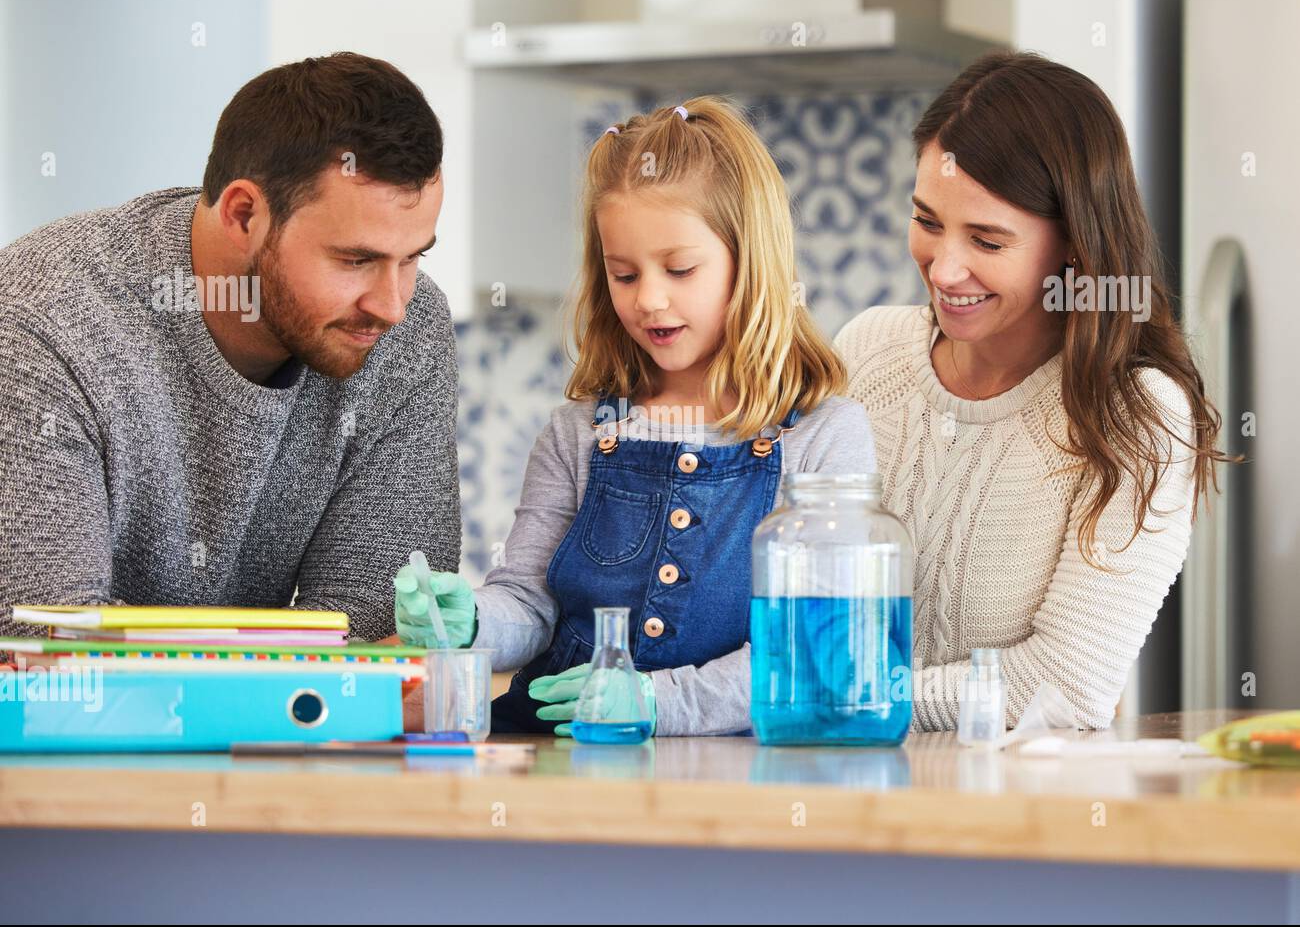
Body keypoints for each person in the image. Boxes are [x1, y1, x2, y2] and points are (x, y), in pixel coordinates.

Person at [395, 97, 874, 736]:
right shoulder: (577, 433)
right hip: (554, 753)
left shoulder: (824, 438)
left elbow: (813, 656)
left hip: (729, 774)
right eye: (624, 275)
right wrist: (472, 621)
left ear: (750, 262)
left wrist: (657, 703)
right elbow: (529, 604)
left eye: (680, 269)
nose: (649, 299)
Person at [0, 52, 460, 641]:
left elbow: (374, 634)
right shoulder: (43, 322)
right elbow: (50, 646)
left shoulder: (409, 327)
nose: (391, 304)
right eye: (356, 260)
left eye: (414, 256)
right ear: (244, 215)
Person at [834, 51, 1230, 730]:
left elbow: (1066, 686)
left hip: (1019, 816)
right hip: (834, 789)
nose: (946, 267)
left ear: (1074, 245)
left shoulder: (1137, 418)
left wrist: (841, 702)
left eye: (987, 241)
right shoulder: (867, 352)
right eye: (927, 222)